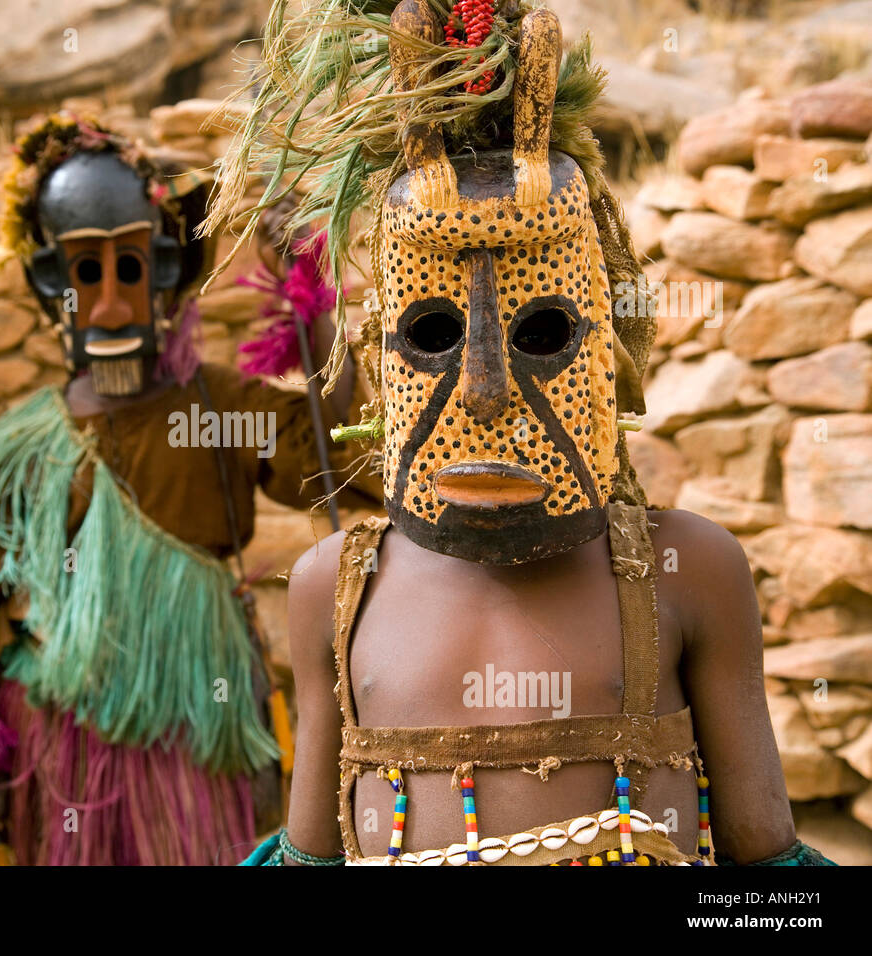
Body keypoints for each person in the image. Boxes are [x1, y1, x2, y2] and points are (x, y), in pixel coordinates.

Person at [221, 0, 834, 866]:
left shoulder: (687, 571)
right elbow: (312, 857)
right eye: (432, 332)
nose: (482, 390)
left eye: (541, 333)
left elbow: (763, 867)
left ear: (608, 348)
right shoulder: (333, 587)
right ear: (379, 350)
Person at [0, 112, 377, 865]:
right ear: (51, 288)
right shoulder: (19, 446)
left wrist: (313, 291)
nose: (105, 305)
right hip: (60, 746)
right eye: (83, 274)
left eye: (128, 270)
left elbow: (344, 462)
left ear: (166, 275)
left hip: (203, 732)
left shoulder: (224, 408)